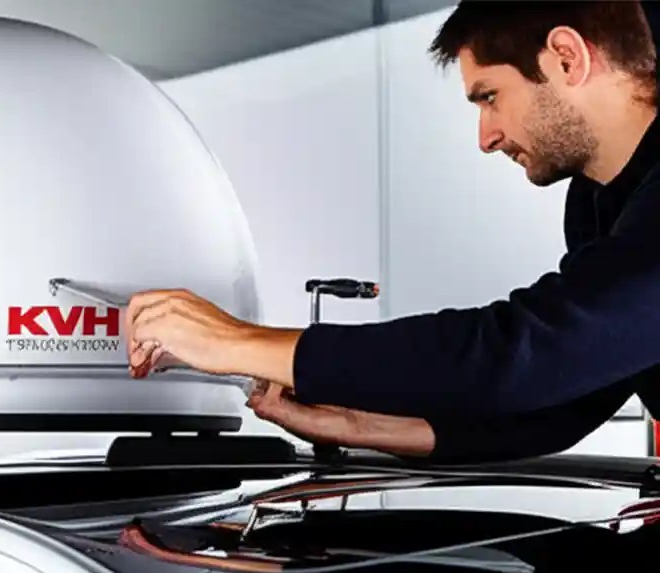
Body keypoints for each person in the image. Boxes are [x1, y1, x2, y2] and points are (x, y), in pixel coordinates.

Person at [126, 0, 660, 463]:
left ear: (567, 57)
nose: (487, 137)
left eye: (489, 96)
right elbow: (569, 391)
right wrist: (367, 427)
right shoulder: (598, 204)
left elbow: (526, 351)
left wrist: (234, 341)